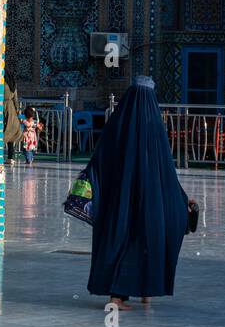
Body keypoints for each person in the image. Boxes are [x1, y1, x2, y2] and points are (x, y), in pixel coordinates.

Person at [73, 74, 194, 310]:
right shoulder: (154, 129)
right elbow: (166, 173)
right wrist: (181, 199)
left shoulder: (118, 124)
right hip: (148, 203)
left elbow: (100, 160)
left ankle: (122, 295)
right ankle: (137, 291)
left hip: (119, 202)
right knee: (147, 239)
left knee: (122, 239)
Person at [3, 73, 22, 162]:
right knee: (11, 132)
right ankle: (11, 156)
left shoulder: (2, 83)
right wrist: (17, 110)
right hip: (12, 109)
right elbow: (16, 98)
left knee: (3, 130)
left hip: (3, 107)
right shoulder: (13, 84)